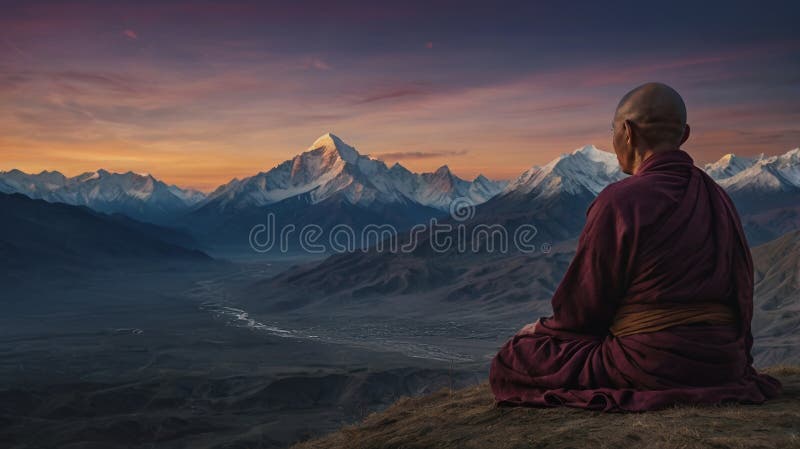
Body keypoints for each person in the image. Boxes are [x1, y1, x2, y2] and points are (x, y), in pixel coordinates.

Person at [489, 82, 782, 411]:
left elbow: (582, 312)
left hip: (648, 363)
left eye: (612, 130)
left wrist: (542, 329)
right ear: (683, 135)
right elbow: (741, 291)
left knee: (513, 359)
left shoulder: (621, 200)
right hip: (724, 361)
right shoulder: (718, 196)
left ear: (626, 131)